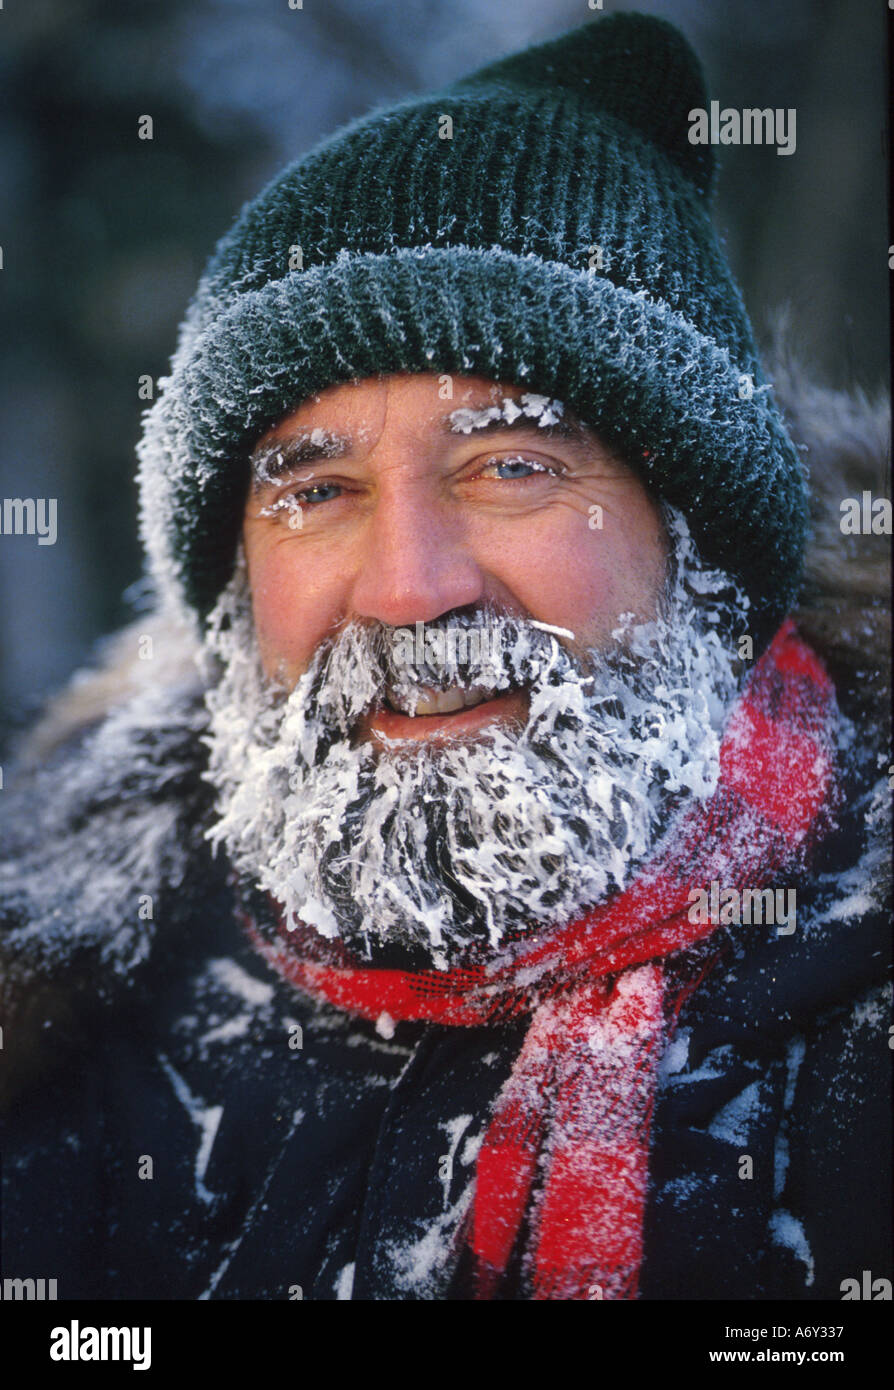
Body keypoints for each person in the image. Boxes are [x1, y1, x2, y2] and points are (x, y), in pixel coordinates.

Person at [1, 12, 889, 1302]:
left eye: (513, 468)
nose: (412, 589)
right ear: (232, 592)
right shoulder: (71, 1029)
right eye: (316, 492)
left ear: (700, 547)